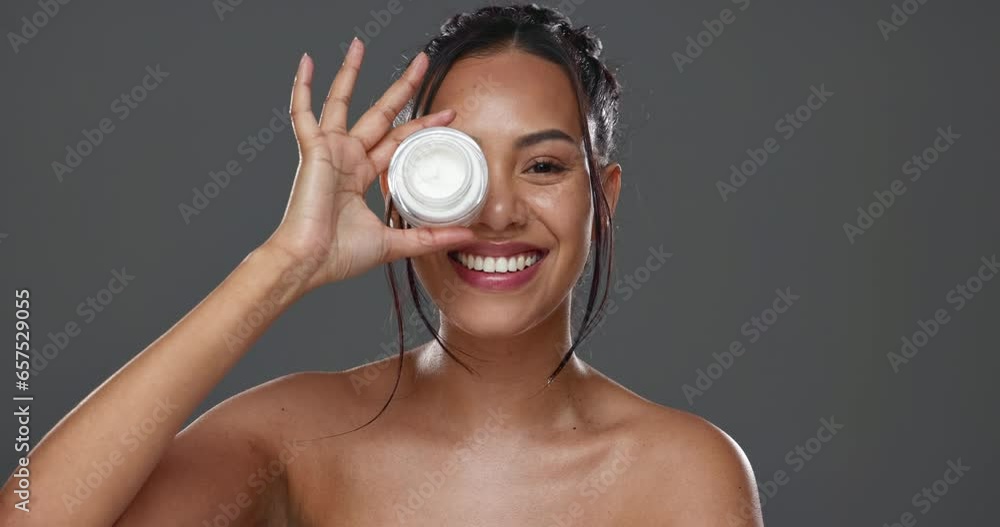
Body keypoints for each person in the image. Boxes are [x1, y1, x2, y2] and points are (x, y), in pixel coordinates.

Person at [1, 5, 764, 525]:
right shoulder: (297, 438)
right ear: (400, 190)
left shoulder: (682, 472)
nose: (496, 212)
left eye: (543, 167)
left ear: (604, 196)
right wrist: (282, 265)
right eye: (455, 170)